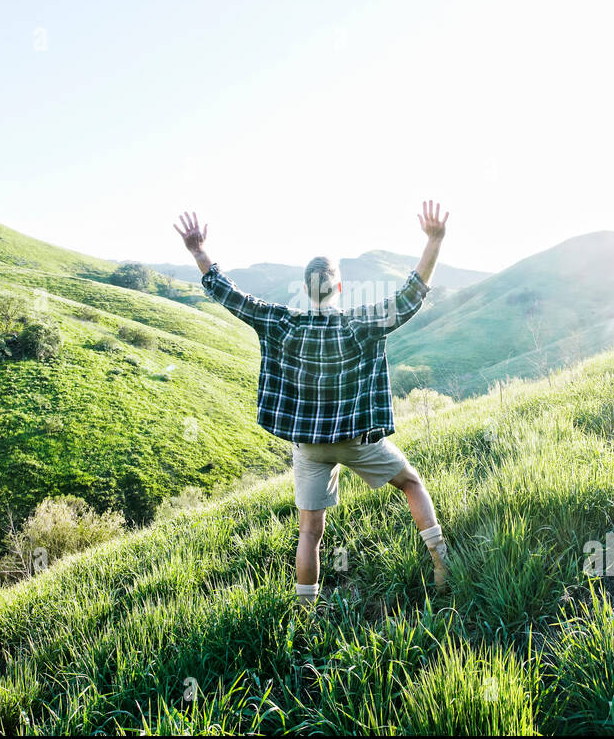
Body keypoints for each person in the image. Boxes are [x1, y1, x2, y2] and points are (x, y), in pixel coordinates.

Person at [173, 201, 452, 605]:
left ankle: (306, 611)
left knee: (310, 532)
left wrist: (199, 252)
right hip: (358, 441)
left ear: (306, 289)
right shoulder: (359, 323)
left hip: (308, 448)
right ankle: (441, 563)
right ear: (338, 288)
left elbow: (231, 296)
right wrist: (434, 241)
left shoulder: (283, 321)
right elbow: (411, 296)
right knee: (410, 483)